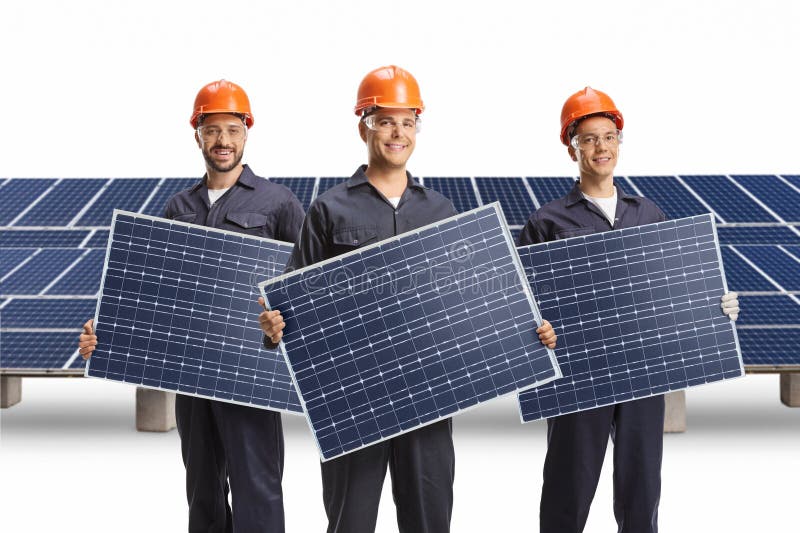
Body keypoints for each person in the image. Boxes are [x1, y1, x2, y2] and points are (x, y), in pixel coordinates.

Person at [258, 65, 556, 533]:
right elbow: (292, 303)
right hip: (352, 401)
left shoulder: (441, 211)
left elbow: (474, 302)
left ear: (417, 128)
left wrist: (525, 330)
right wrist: (274, 329)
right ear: (364, 126)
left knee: (429, 521)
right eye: (385, 120)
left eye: (407, 121)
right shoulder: (328, 209)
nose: (398, 132)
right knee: (349, 523)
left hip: (430, 397)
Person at [77, 79, 305, 533]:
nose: (223, 141)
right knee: (201, 489)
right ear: (197, 134)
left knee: (257, 487)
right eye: (212, 130)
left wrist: (283, 332)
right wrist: (105, 333)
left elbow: (305, 284)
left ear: (247, 133)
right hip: (191, 373)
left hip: (248, 374)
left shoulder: (278, 203)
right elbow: (150, 293)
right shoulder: (178, 206)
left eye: (232, 130)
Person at [519, 87, 740, 533]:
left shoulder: (648, 214)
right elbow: (520, 301)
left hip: (642, 370)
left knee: (642, 490)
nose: (601, 147)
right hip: (579, 373)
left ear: (619, 143)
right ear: (571, 147)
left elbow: (673, 290)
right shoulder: (547, 221)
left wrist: (716, 306)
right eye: (588, 138)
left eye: (609, 136)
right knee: (568, 487)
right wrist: (536, 328)